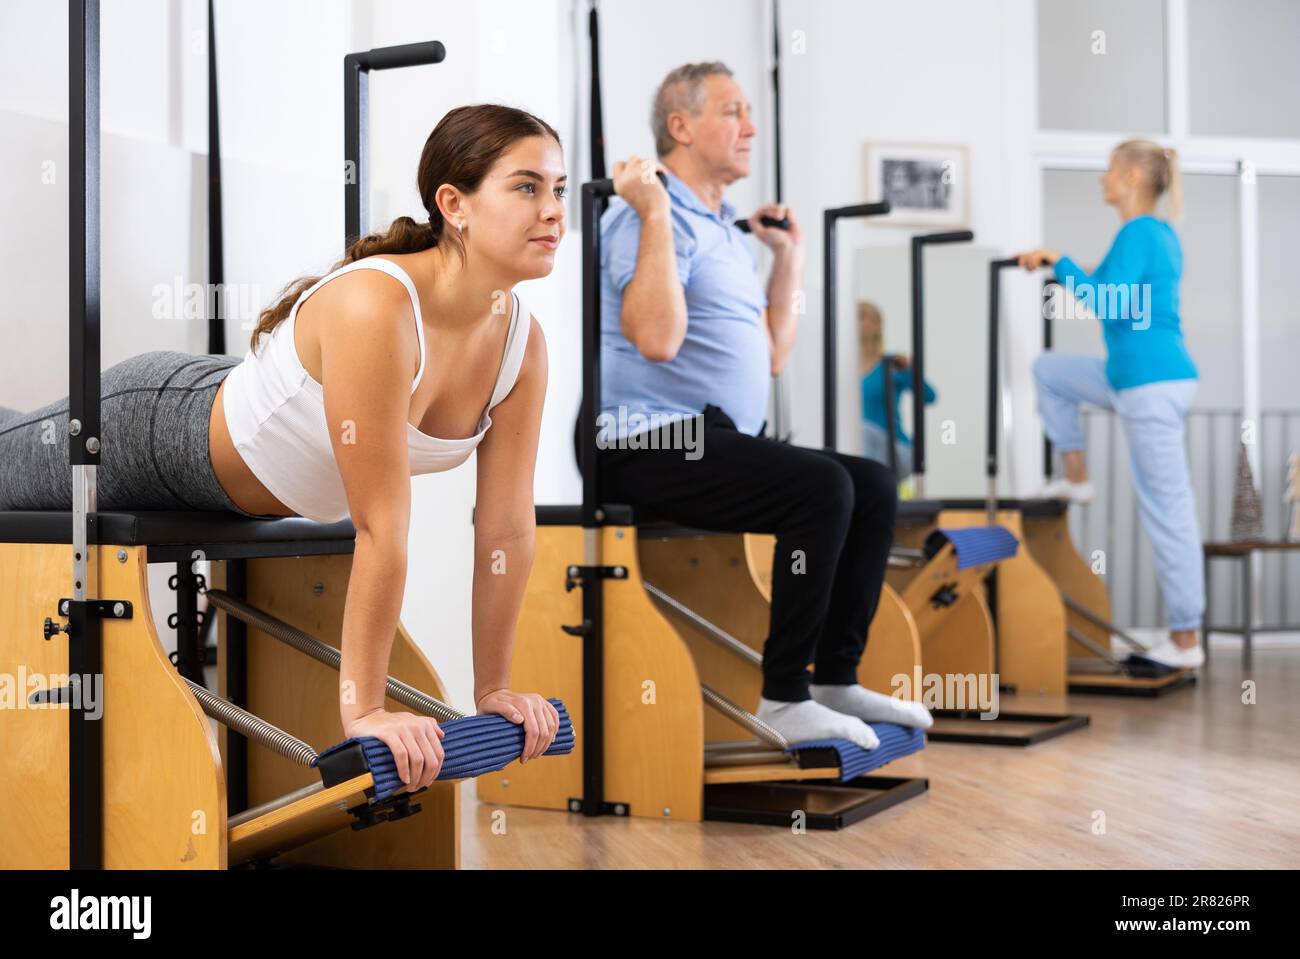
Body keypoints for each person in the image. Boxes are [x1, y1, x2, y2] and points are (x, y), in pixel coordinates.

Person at [0, 104, 565, 786]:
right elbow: (381, 526)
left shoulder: (521, 344)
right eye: (527, 187)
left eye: (559, 189)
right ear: (455, 205)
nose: (553, 210)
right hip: (153, 428)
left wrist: (494, 689)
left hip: (229, 428)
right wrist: (365, 710)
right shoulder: (376, 306)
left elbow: (505, 528)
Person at [589, 62, 933, 749]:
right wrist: (654, 209)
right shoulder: (644, 217)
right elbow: (655, 338)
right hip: (640, 440)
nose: (750, 127)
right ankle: (784, 696)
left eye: (749, 111)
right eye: (731, 111)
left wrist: (789, 261)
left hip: (707, 438)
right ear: (680, 127)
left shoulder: (720, 228)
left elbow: (775, 352)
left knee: (869, 482)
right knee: (822, 487)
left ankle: (835, 675)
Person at [1016, 138, 1204, 669]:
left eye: (1108, 170)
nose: (1102, 178)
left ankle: (1186, 640)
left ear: (1131, 178)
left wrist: (1060, 260)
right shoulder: (1146, 236)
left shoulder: (1143, 232)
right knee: (1049, 371)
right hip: (1130, 378)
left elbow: (1106, 299)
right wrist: (1056, 265)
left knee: (1168, 509)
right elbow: (1105, 289)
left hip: (1151, 383)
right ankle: (1075, 473)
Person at [856, 300, 936, 478]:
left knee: (863, 431)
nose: (853, 321)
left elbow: (930, 396)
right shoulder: (843, 371)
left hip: (897, 450)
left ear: (877, 325)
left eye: (860, 317)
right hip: (861, 449)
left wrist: (910, 371)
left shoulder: (891, 365)